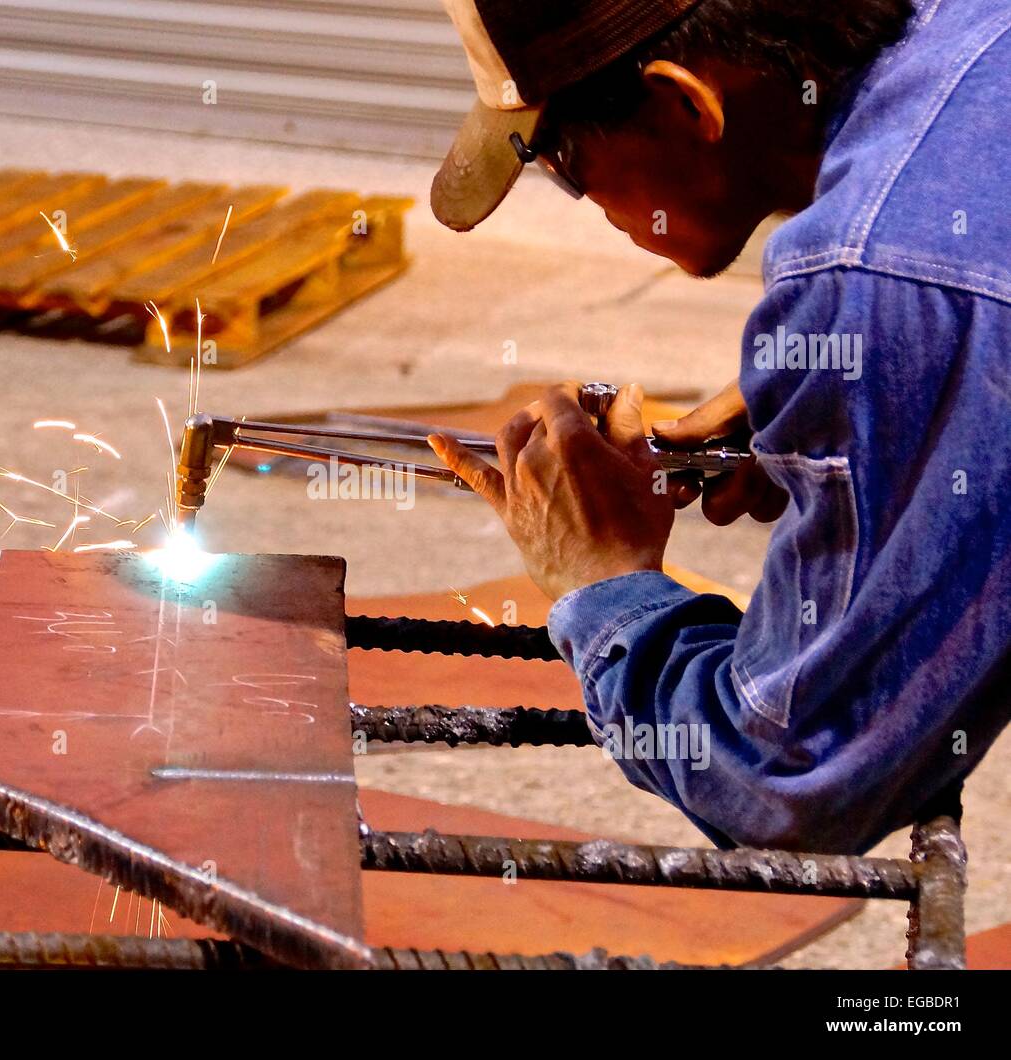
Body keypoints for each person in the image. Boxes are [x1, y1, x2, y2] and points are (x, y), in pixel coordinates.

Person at [426, 0, 1011, 853]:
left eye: (559, 161)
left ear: (690, 104)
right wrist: (869, 376)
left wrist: (604, 580)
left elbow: (791, 779)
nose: (577, 197)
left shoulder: (886, 277)